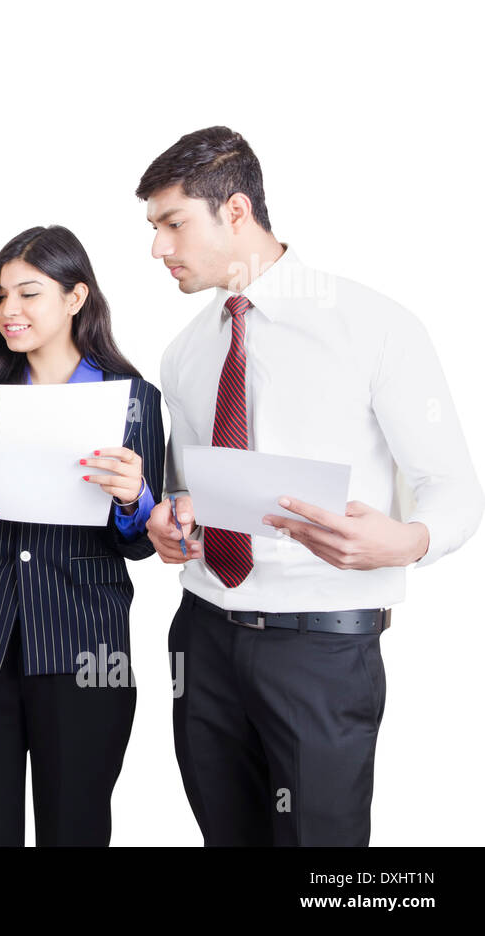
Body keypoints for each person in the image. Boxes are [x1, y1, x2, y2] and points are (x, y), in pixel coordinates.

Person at [139, 126, 484, 846]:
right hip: (201, 641)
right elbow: (189, 488)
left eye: (173, 224)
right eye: (153, 228)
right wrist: (172, 523)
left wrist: (410, 540)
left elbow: (453, 485)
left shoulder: (375, 327)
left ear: (235, 212)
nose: (158, 250)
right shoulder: (185, 352)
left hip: (322, 655)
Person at [0, 225, 164, 846]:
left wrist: (133, 497)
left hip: (85, 649)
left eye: (29, 294)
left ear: (75, 297)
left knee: (75, 829)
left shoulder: (134, 402)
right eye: (2, 296)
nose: (9, 311)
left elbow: (142, 543)